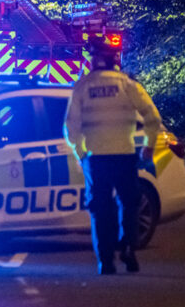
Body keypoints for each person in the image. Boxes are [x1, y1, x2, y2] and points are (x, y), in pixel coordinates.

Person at [64, 39, 162, 275]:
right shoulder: (128, 85)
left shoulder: (83, 87)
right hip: (124, 156)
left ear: (94, 61)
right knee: (129, 203)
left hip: (95, 158)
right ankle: (128, 247)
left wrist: (80, 152)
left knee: (100, 208)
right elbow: (153, 117)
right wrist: (148, 146)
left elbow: (71, 126)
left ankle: (105, 261)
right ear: (114, 60)